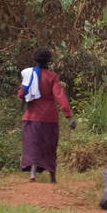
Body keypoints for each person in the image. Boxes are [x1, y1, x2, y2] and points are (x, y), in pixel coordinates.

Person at [18, 47, 74, 183]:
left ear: (35, 60)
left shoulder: (30, 74)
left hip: (31, 117)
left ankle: (32, 174)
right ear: (49, 60)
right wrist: (69, 116)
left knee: (33, 145)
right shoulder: (52, 77)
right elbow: (60, 96)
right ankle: (52, 177)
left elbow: (21, 94)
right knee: (50, 146)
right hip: (50, 118)